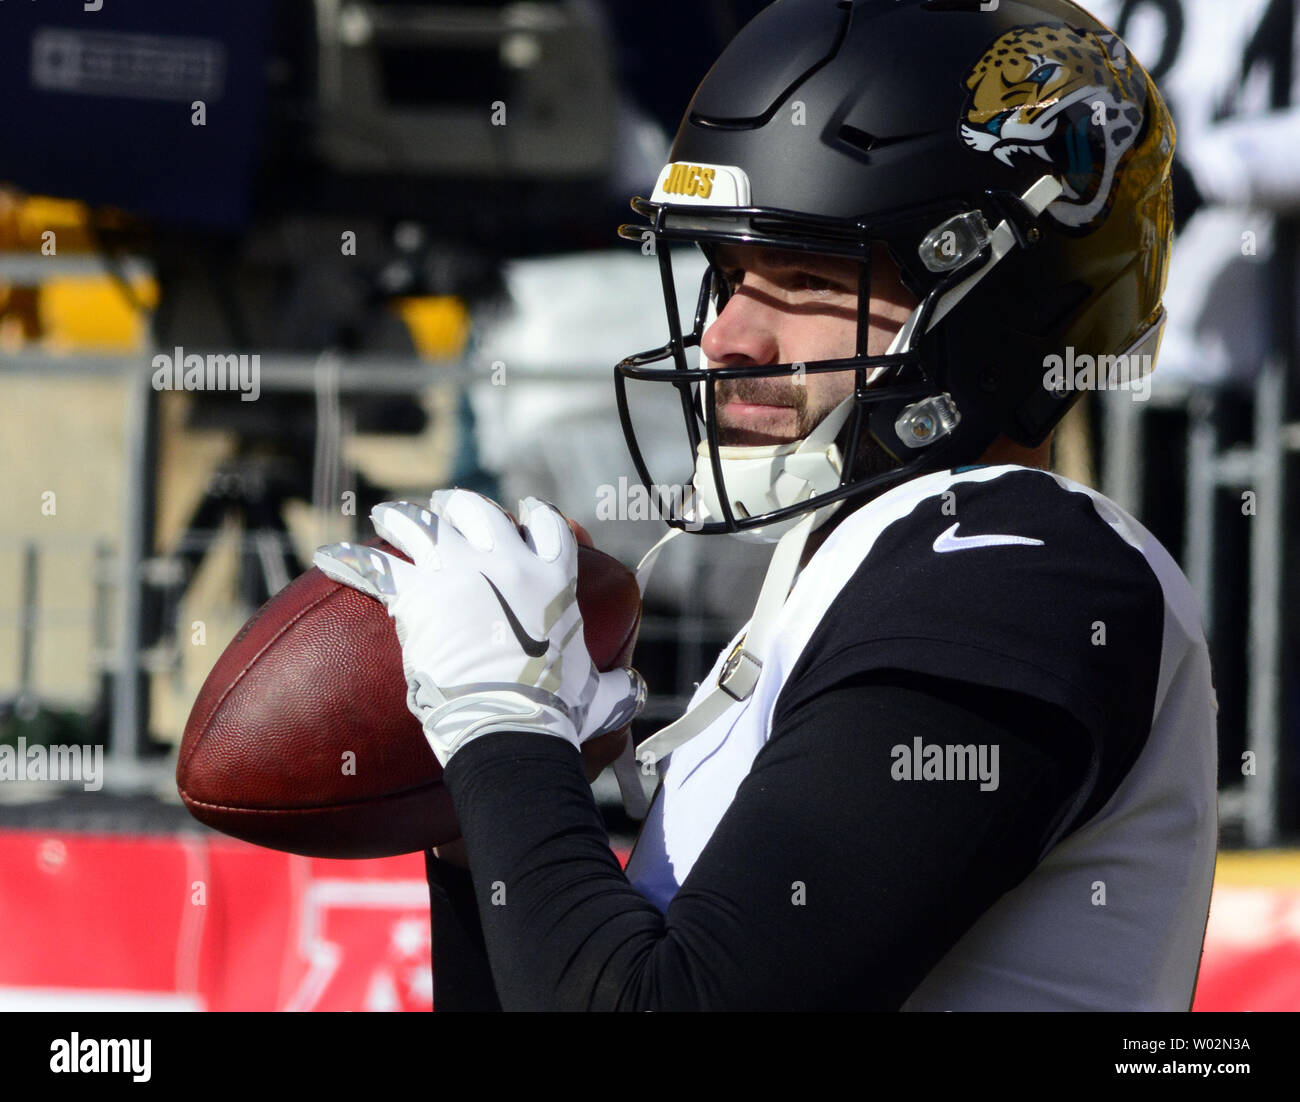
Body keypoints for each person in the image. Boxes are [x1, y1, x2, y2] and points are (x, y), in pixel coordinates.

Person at [315, 0, 1219, 1011]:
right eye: (727, 272)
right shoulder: (848, 563)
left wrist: (500, 727)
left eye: (802, 274)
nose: (727, 336)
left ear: (1004, 304)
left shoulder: (1017, 566)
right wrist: (480, 822)